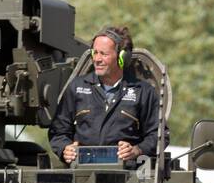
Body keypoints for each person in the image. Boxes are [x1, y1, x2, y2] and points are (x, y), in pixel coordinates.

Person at [48, 26, 160, 164]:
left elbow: (158, 135)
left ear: (122, 57)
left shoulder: (143, 92)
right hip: (82, 174)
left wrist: (137, 150)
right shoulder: (77, 87)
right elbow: (58, 132)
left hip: (128, 176)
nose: (97, 59)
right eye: (95, 52)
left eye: (104, 54)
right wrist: (65, 148)